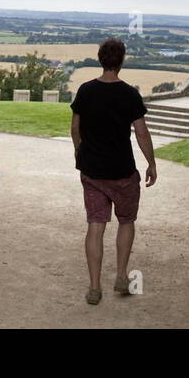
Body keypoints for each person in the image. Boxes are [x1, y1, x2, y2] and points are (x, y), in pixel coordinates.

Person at [69, 37, 157, 305]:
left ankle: (94, 287)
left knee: (95, 226)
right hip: (122, 172)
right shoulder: (130, 94)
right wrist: (151, 163)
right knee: (126, 221)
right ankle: (121, 276)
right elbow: (141, 133)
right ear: (120, 61)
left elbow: (75, 128)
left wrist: (79, 150)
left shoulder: (85, 91)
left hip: (93, 172)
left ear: (100, 59)